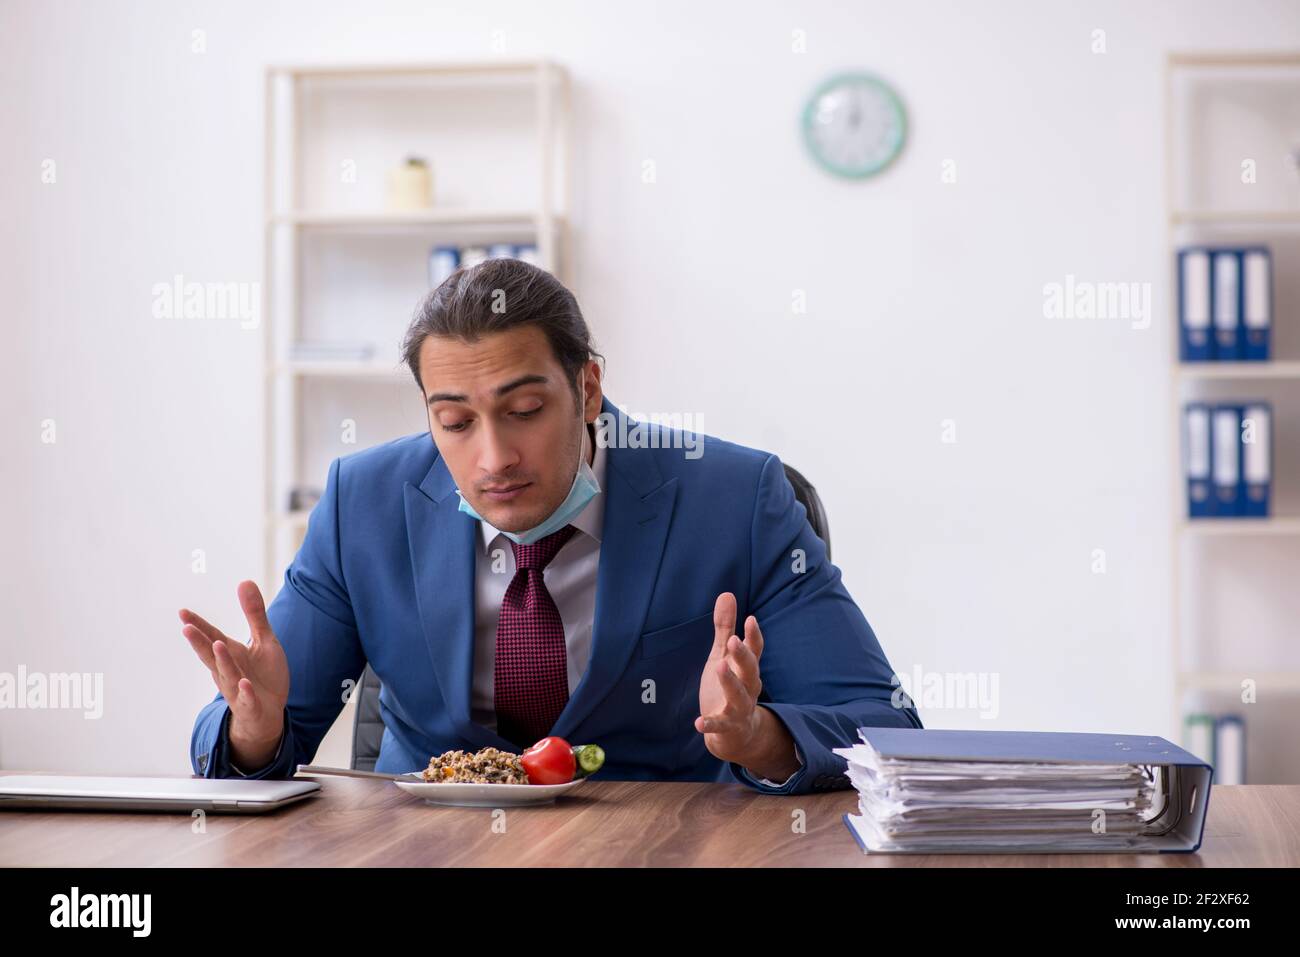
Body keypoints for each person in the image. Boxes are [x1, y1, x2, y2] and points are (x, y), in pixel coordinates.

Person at [183, 258, 921, 794]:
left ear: (588, 387)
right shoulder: (362, 503)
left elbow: (886, 732)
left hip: (661, 849)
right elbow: (256, 751)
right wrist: (254, 731)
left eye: (525, 411)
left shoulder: (734, 497)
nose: (493, 456)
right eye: (454, 421)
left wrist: (762, 737)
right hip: (428, 851)